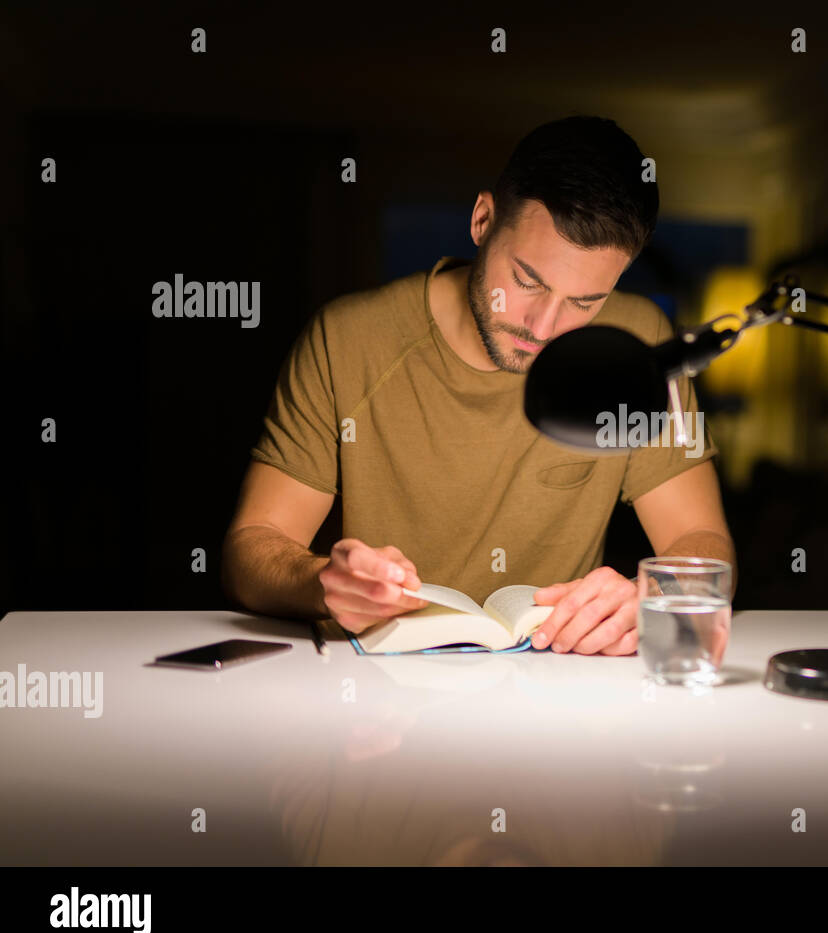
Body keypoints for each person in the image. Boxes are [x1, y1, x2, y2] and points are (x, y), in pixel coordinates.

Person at [221, 115, 734, 656]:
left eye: (585, 302)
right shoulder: (347, 338)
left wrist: (654, 596)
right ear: (483, 219)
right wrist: (324, 582)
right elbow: (250, 550)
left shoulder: (639, 345)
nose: (543, 329)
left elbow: (700, 542)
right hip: (372, 701)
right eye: (527, 281)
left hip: (557, 696)